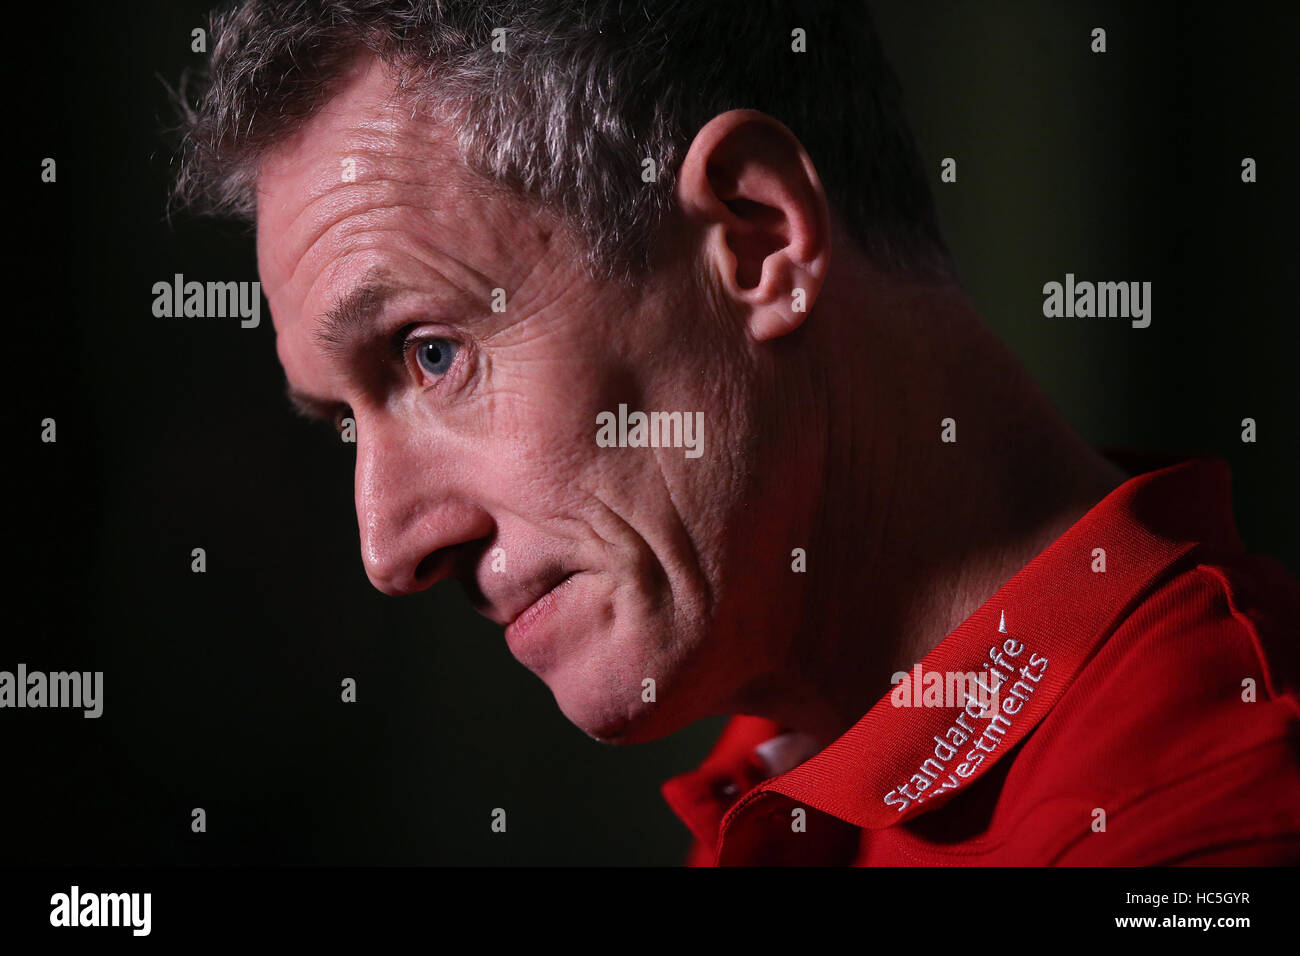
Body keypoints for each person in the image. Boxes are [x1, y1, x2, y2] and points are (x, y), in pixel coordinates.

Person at [172, 0, 1300, 864]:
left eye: (431, 353)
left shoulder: (1195, 810)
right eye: (344, 423)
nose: (388, 546)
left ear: (757, 241)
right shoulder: (772, 777)